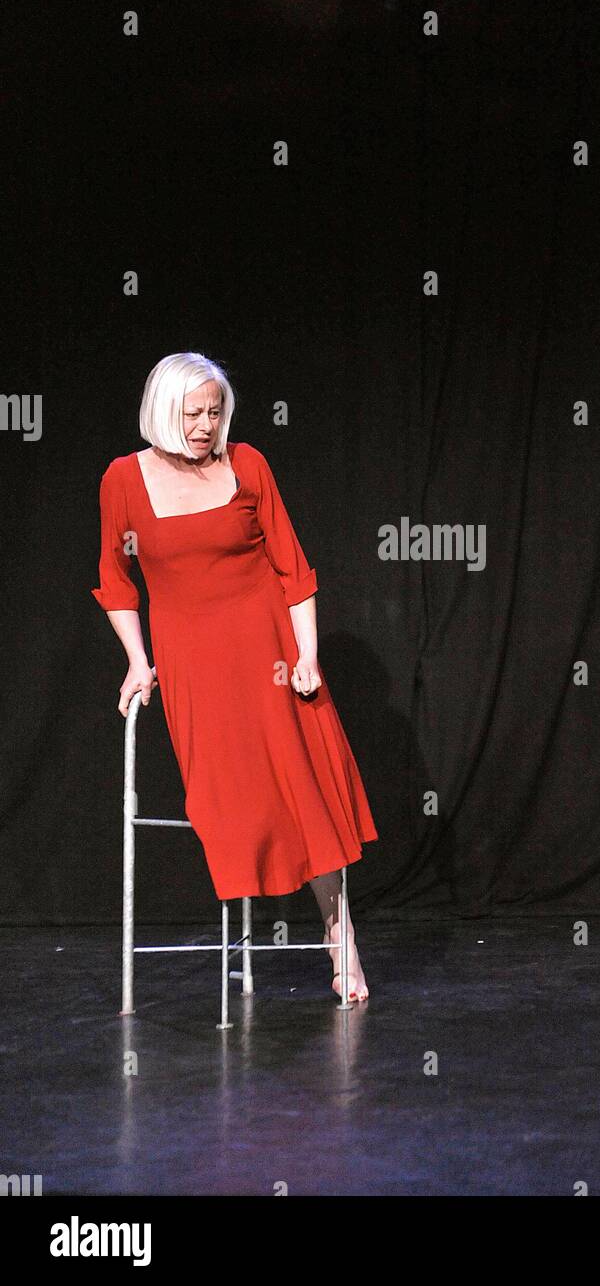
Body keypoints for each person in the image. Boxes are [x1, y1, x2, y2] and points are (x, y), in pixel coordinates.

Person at [91, 351, 377, 1002]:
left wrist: (305, 655)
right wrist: (139, 661)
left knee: (306, 797)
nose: (205, 424)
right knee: (230, 806)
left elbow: (293, 569)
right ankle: (246, 938)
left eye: (215, 411)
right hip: (194, 660)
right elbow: (116, 583)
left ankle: (342, 940)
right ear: (163, 411)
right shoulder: (124, 480)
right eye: (193, 413)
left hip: (268, 648)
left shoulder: (246, 465)